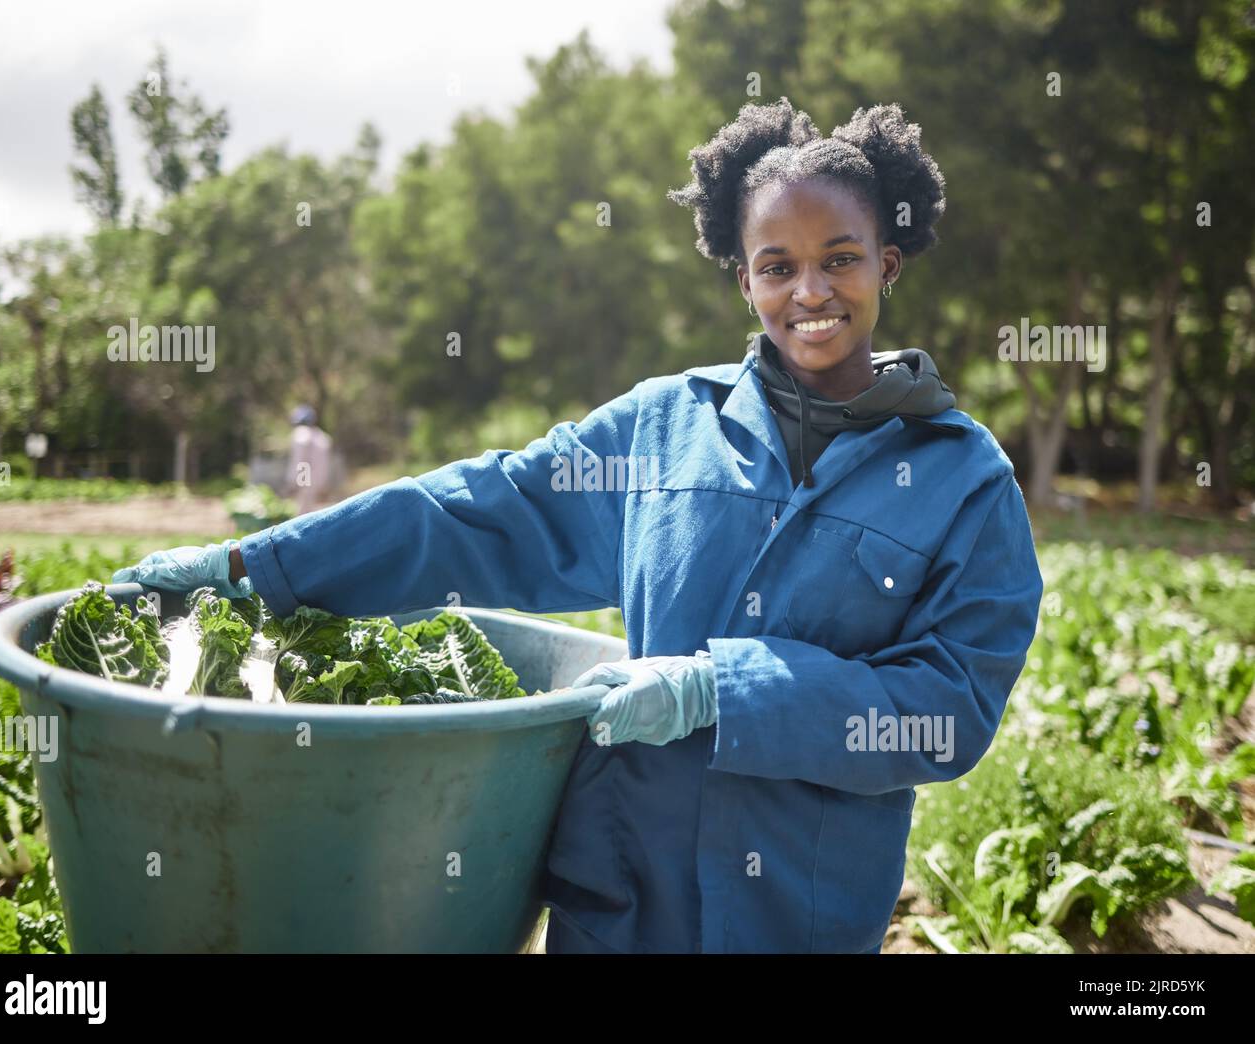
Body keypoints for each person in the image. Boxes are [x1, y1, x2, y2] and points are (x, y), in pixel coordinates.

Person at [112, 98, 1043, 954]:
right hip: (621, 895)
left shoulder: (964, 480)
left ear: (886, 260)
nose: (811, 291)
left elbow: (945, 713)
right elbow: (470, 515)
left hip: (799, 910)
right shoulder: (661, 430)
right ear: (742, 279)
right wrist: (252, 563)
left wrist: (723, 689)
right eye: (777, 266)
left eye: (840, 257)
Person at [285, 404, 332, 515]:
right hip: (320, 482)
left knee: (303, 513)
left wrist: (295, 482)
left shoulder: (301, 433)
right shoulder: (322, 436)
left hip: (305, 481)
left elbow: (300, 460)